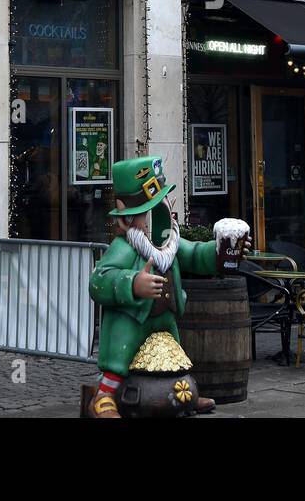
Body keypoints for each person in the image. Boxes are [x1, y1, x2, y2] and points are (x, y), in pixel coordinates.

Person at [86, 155, 249, 418]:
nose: (152, 222)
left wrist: (222, 252)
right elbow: (99, 281)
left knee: (173, 357)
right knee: (120, 357)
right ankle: (104, 396)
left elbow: (195, 254)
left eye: (158, 209)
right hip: (133, 319)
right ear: (127, 218)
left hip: (164, 316)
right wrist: (133, 284)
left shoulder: (169, 244)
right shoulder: (124, 248)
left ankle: (182, 395)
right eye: (145, 214)